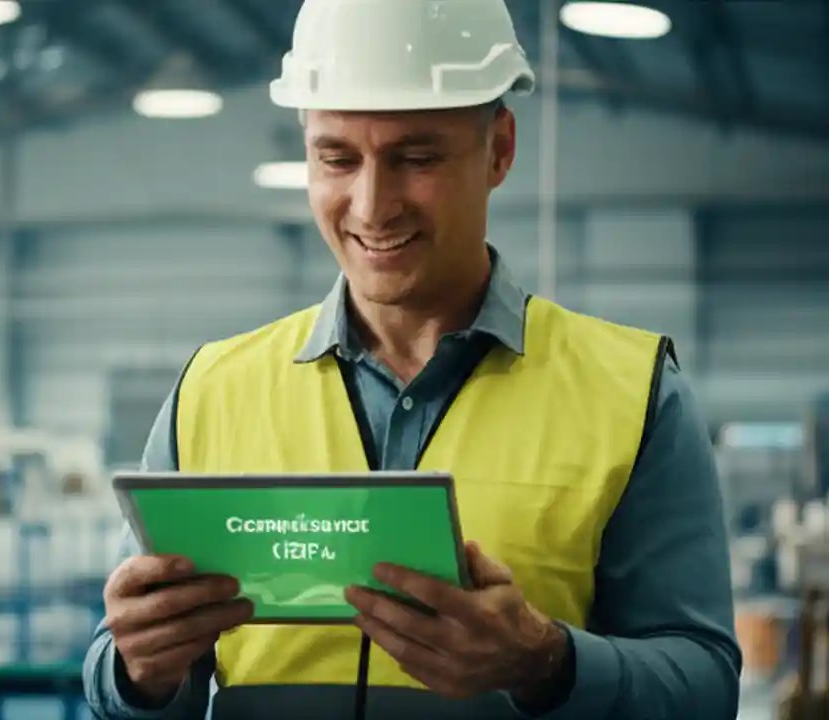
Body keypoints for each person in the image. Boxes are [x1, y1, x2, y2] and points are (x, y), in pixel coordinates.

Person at [82, 0, 741, 717]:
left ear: (499, 150)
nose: (371, 206)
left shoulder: (633, 393)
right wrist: (135, 672)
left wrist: (543, 661)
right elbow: (131, 683)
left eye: (416, 158)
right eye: (337, 158)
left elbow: (704, 685)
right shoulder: (212, 389)